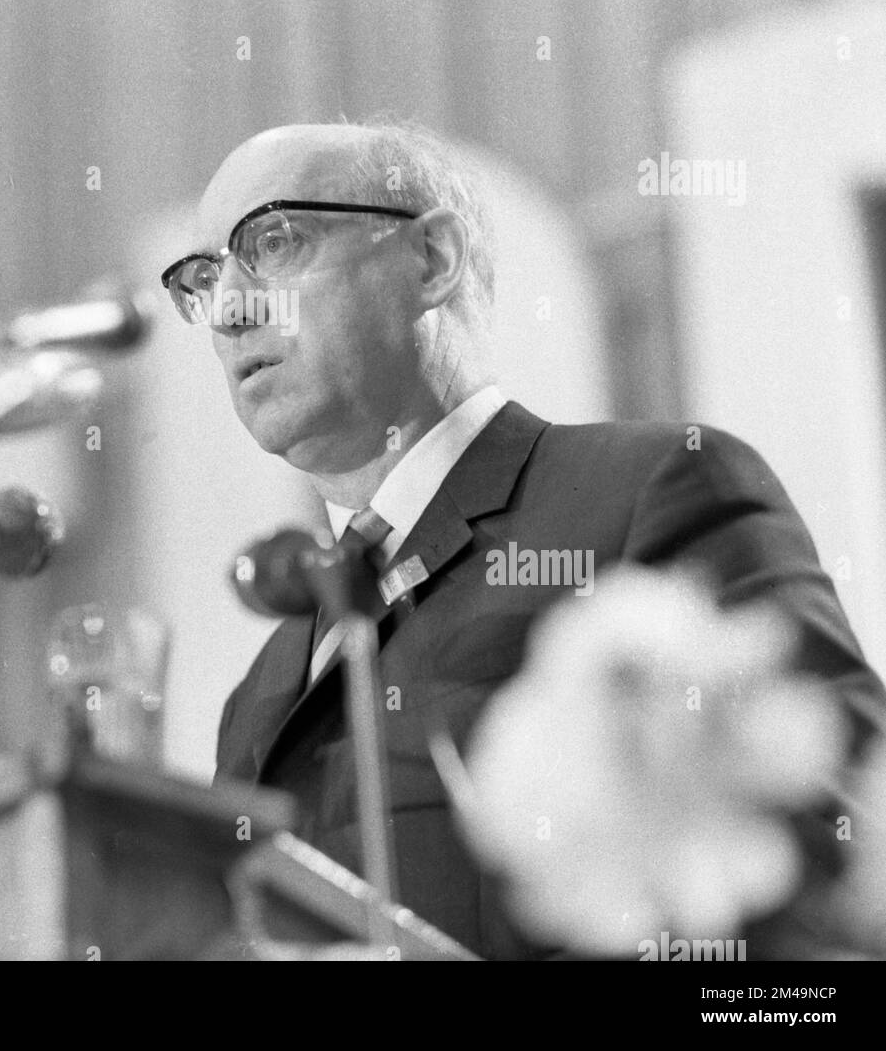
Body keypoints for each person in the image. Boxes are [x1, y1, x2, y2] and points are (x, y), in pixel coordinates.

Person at [158, 118, 886, 959]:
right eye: (202, 280)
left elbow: (844, 837)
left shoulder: (650, 489)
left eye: (274, 243)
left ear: (429, 260)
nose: (229, 310)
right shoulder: (263, 690)